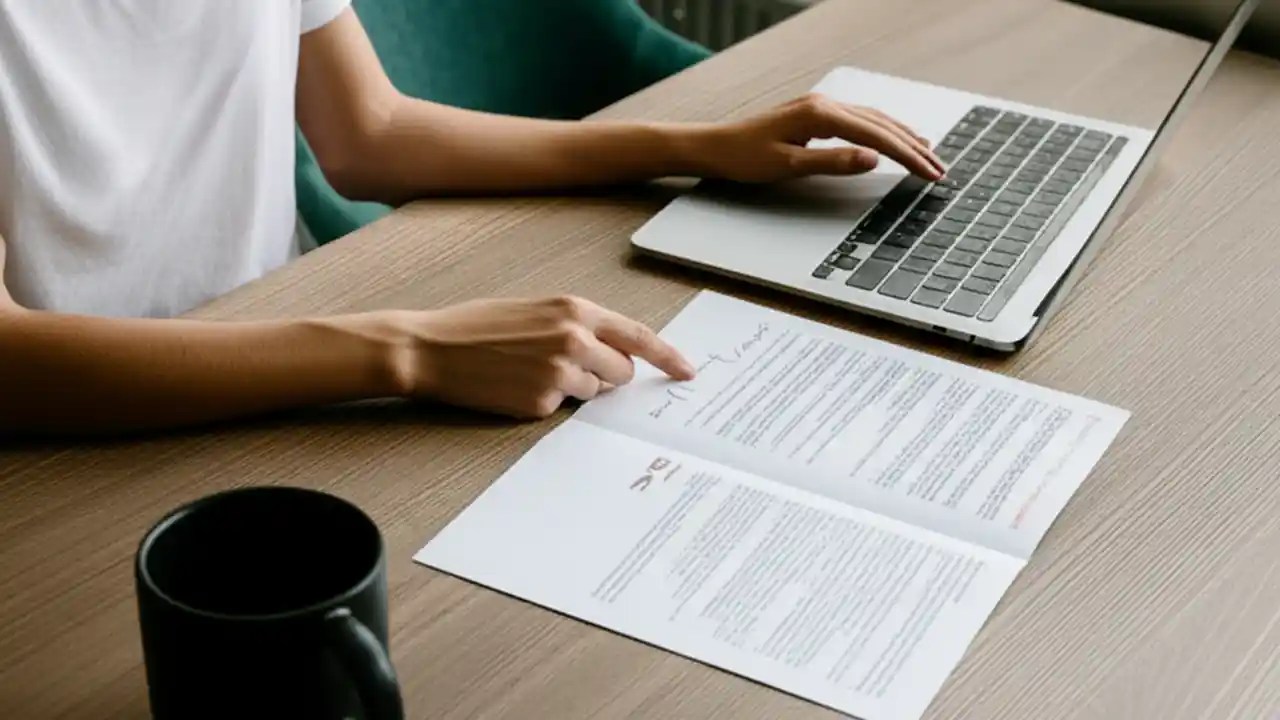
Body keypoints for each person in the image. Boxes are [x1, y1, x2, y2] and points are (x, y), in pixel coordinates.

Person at [0, 2, 943, 437]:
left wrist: (693, 145)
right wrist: (409, 350)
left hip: (295, 363)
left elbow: (369, 134)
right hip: (84, 438)